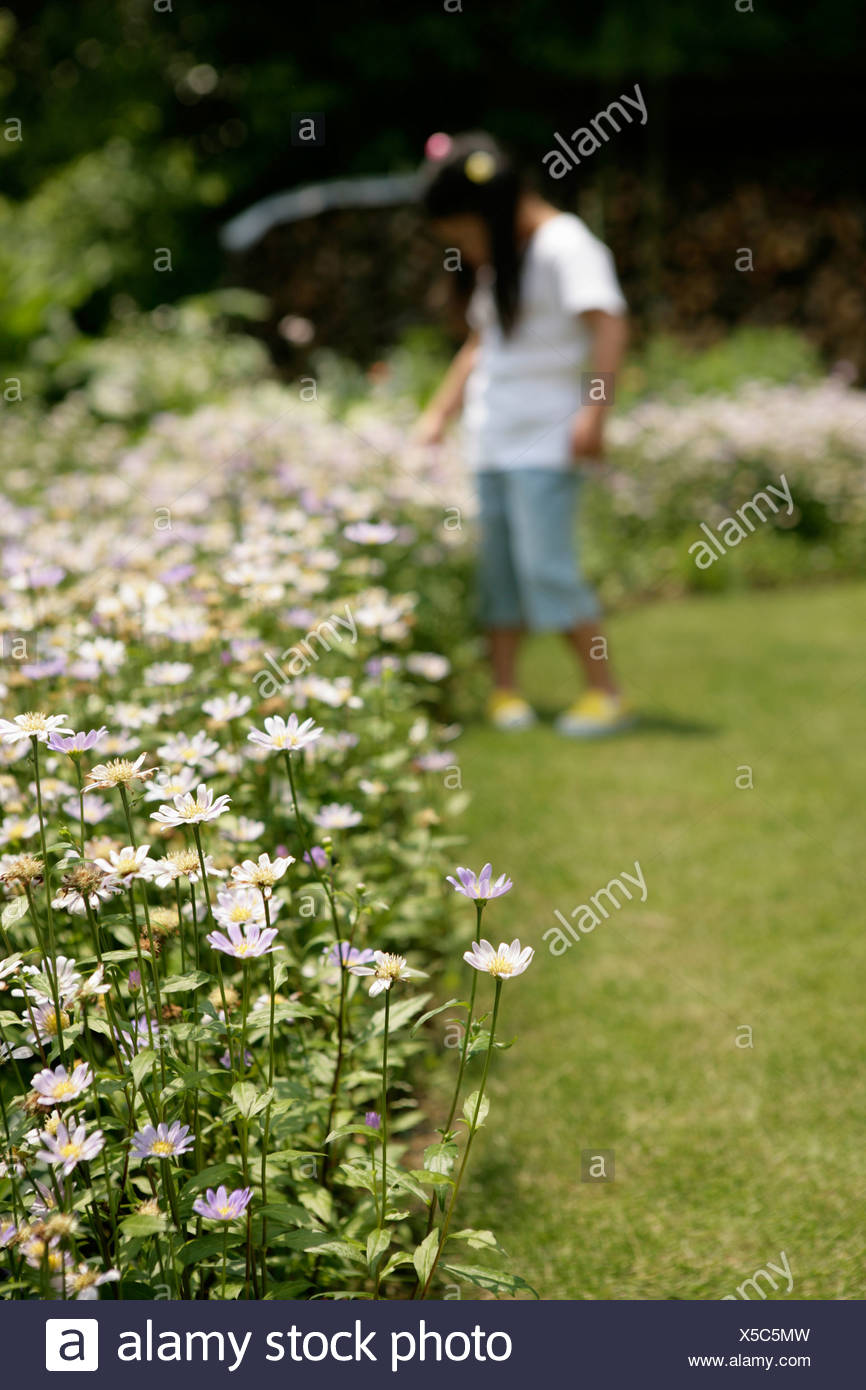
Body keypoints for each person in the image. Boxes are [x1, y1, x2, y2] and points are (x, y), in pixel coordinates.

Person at [413, 130, 631, 736]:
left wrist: (594, 414)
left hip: (547, 439)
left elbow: (610, 327)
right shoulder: (505, 262)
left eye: (463, 234)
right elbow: (482, 346)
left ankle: (604, 694)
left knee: (546, 568)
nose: (464, 249)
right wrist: (438, 413)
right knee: (499, 572)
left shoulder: (566, 245)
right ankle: (505, 692)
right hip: (491, 441)